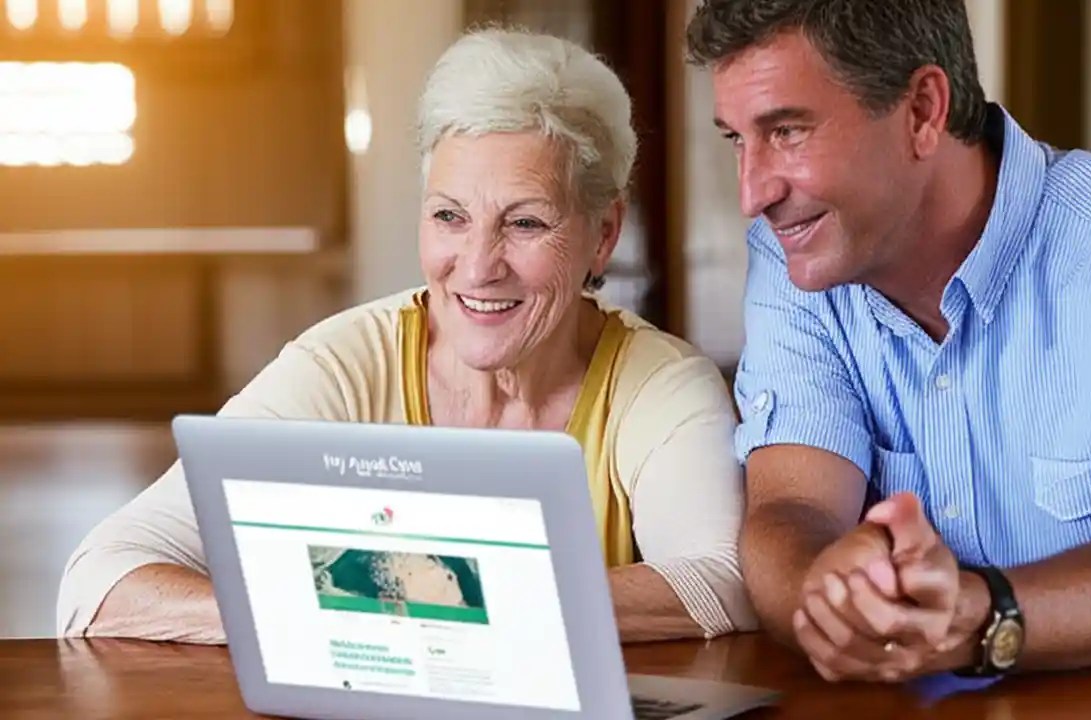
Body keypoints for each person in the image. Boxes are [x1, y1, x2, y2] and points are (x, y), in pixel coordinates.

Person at [57, 28, 755, 645]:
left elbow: (721, 580)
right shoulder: (343, 365)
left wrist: (395, 595)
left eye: (526, 223)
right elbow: (101, 580)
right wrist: (346, 615)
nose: (479, 266)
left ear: (603, 234)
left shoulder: (659, 385)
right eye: (450, 216)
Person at [686, 0, 1091, 683]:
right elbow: (791, 511)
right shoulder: (798, 261)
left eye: (787, 131)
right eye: (736, 138)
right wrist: (829, 597)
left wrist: (972, 617)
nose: (752, 193)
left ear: (922, 110)